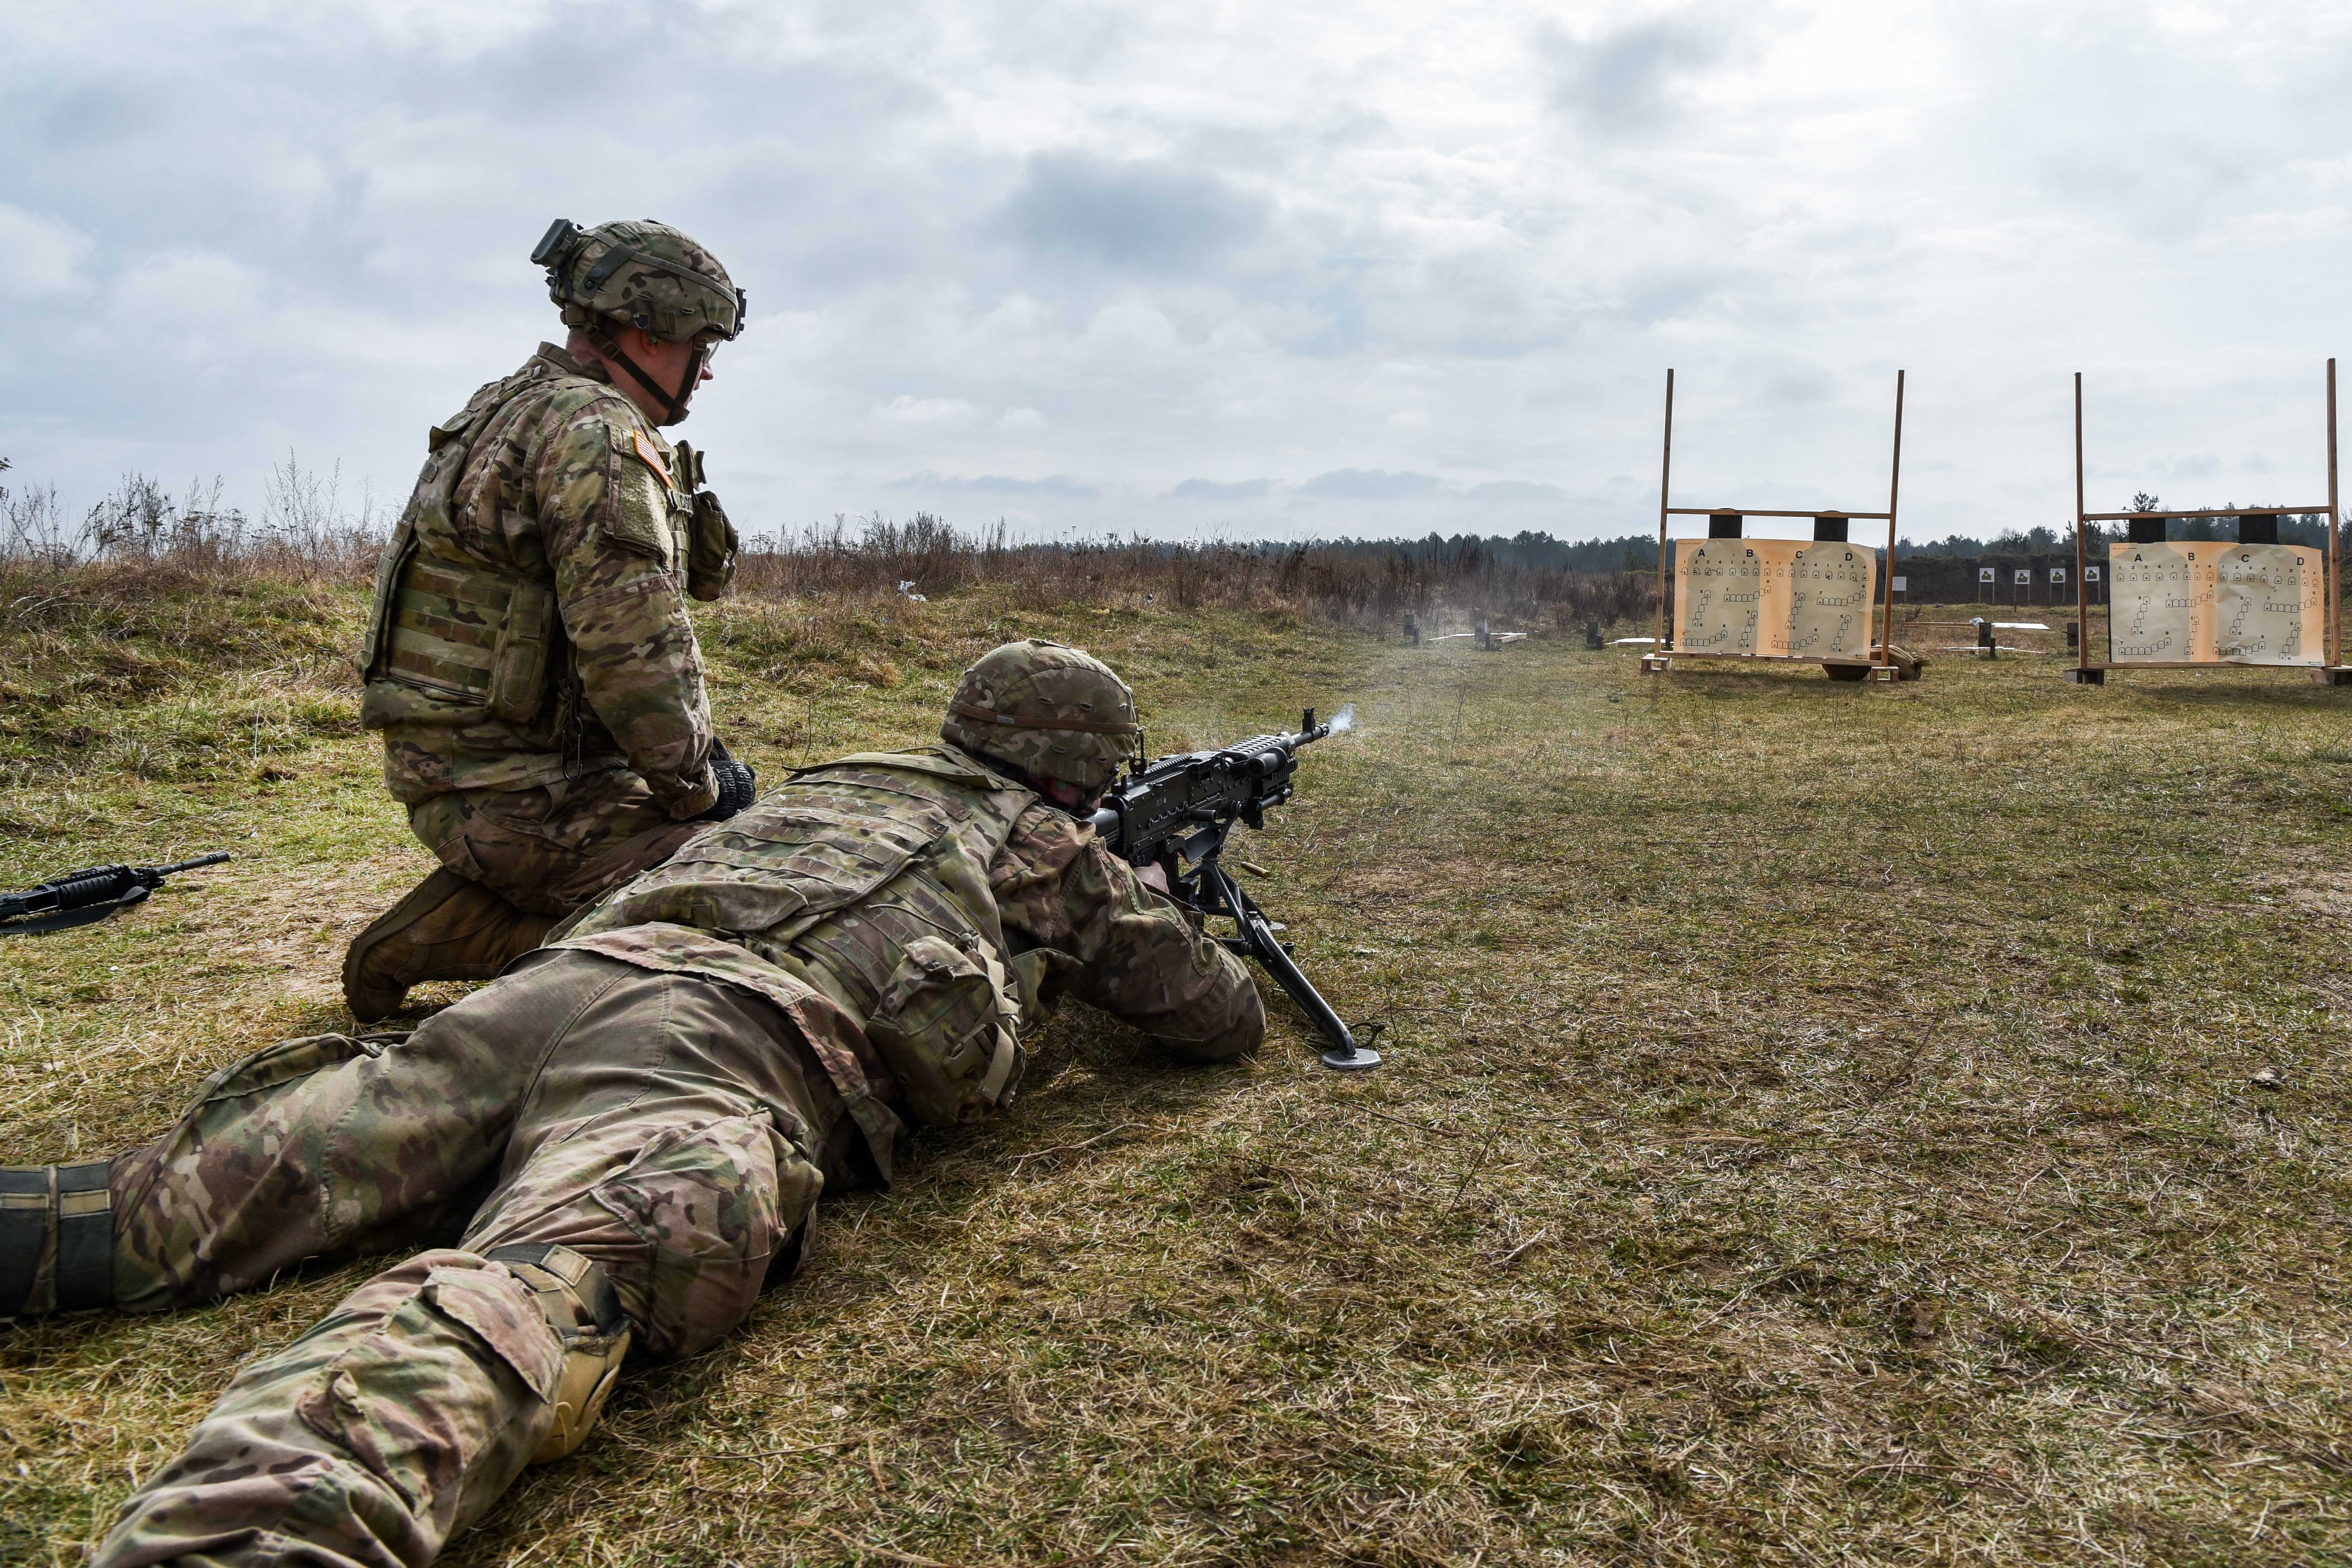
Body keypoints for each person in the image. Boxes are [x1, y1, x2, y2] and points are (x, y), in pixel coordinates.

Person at [1, 639, 1266, 1568]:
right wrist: (1143, 892)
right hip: (716, 1048)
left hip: (543, 995)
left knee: (162, 1200)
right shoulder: (1047, 846)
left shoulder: (833, 779)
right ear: (1079, 768)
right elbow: (1217, 1017)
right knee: (518, 1303)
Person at [341, 218, 759, 1023]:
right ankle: (463, 936)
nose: (705, 372)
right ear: (647, 331)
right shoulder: (595, 432)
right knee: (754, 889)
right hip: (524, 796)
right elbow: (632, 646)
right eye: (700, 346)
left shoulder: (512, 404)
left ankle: (479, 902)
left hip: (475, 779)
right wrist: (698, 791)